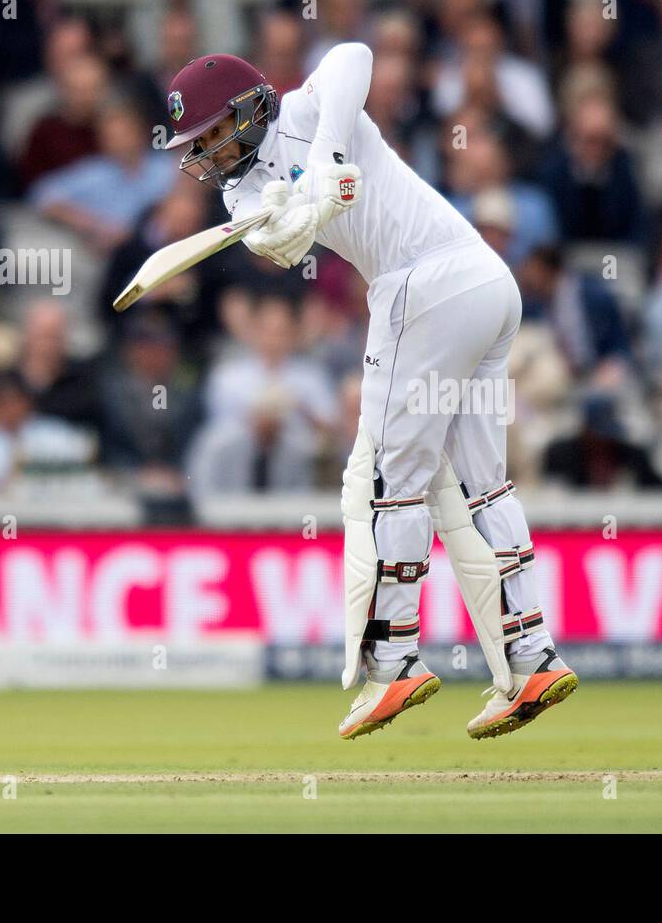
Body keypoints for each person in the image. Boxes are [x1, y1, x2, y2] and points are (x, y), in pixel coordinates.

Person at [161, 44, 576, 740]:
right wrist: (299, 214)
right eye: (194, 144)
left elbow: (355, 53)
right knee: (483, 486)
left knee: (392, 480)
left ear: (247, 109)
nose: (205, 153)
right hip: (484, 286)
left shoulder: (307, 107)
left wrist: (323, 159)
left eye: (209, 134)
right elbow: (281, 247)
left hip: (429, 286)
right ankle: (531, 657)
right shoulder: (242, 194)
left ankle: (395, 661)